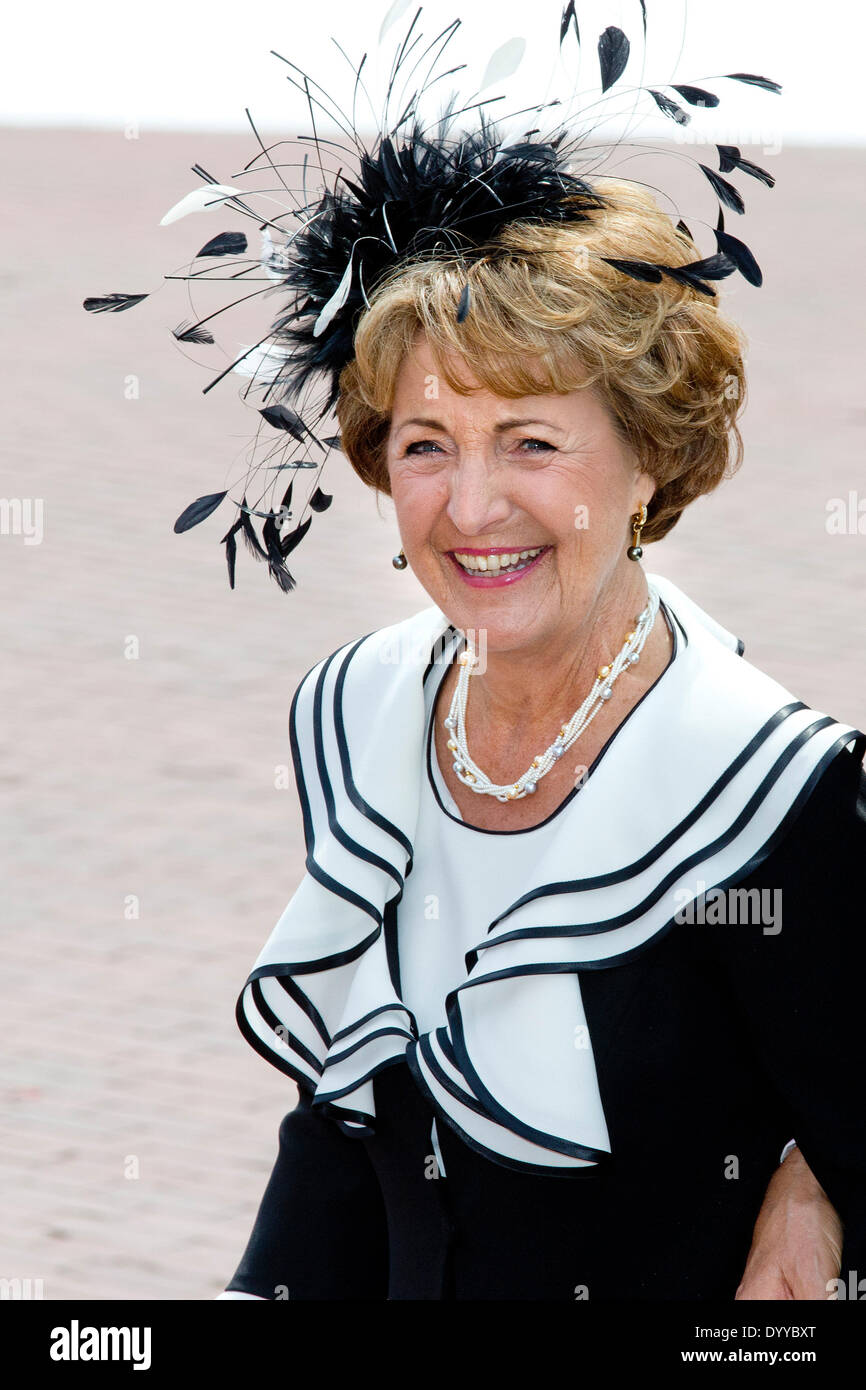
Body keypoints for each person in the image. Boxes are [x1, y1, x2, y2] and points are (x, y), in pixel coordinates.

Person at [85, 4, 865, 1300]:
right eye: (427, 442)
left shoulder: (766, 787)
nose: (471, 504)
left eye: (531, 440)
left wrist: (815, 1178)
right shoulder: (365, 711)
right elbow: (346, 1127)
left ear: (644, 460)